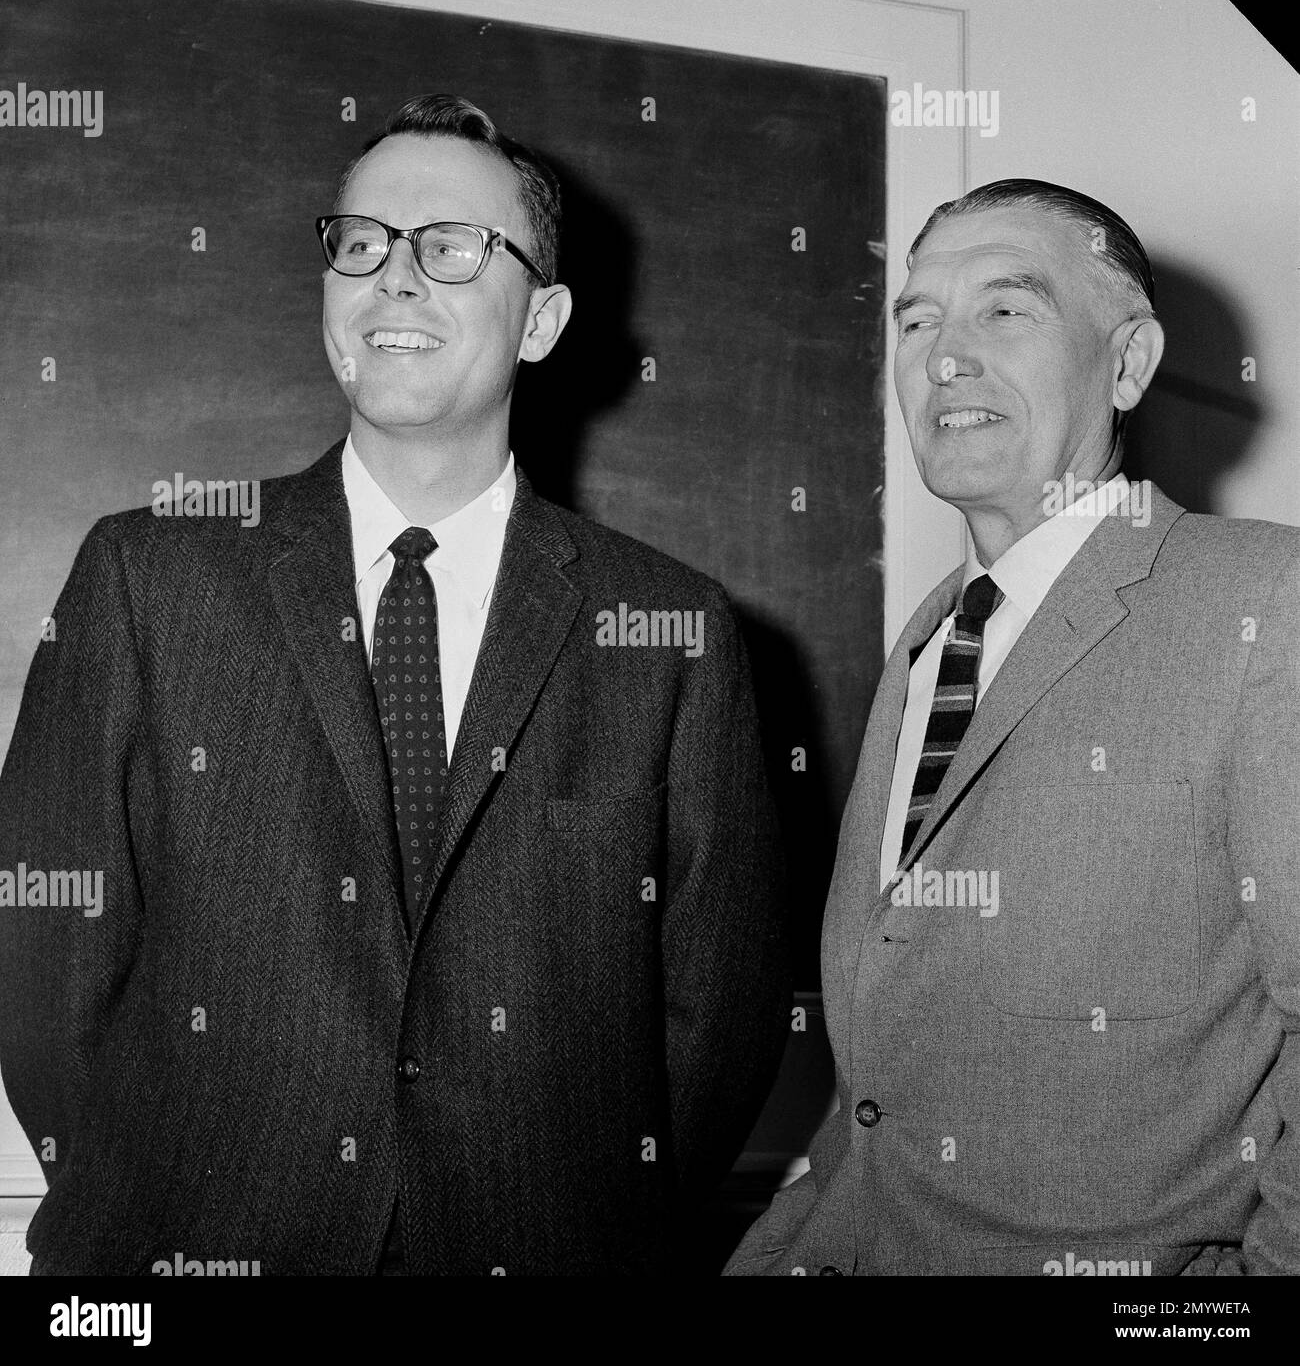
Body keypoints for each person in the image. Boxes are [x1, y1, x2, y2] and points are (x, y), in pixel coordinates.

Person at [0, 94, 788, 1276]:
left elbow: (713, 1025)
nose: (392, 279)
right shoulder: (148, 575)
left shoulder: (672, 633)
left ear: (543, 320)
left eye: (452, 247)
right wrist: (156, 1195)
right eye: (360, 243)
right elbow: (45, 956)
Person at [726, 178, 1300, 1276]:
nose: (944, 356)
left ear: (1127, 363)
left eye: (1004, 309)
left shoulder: (1263, 600)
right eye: (915, 318)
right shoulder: (932, 640)